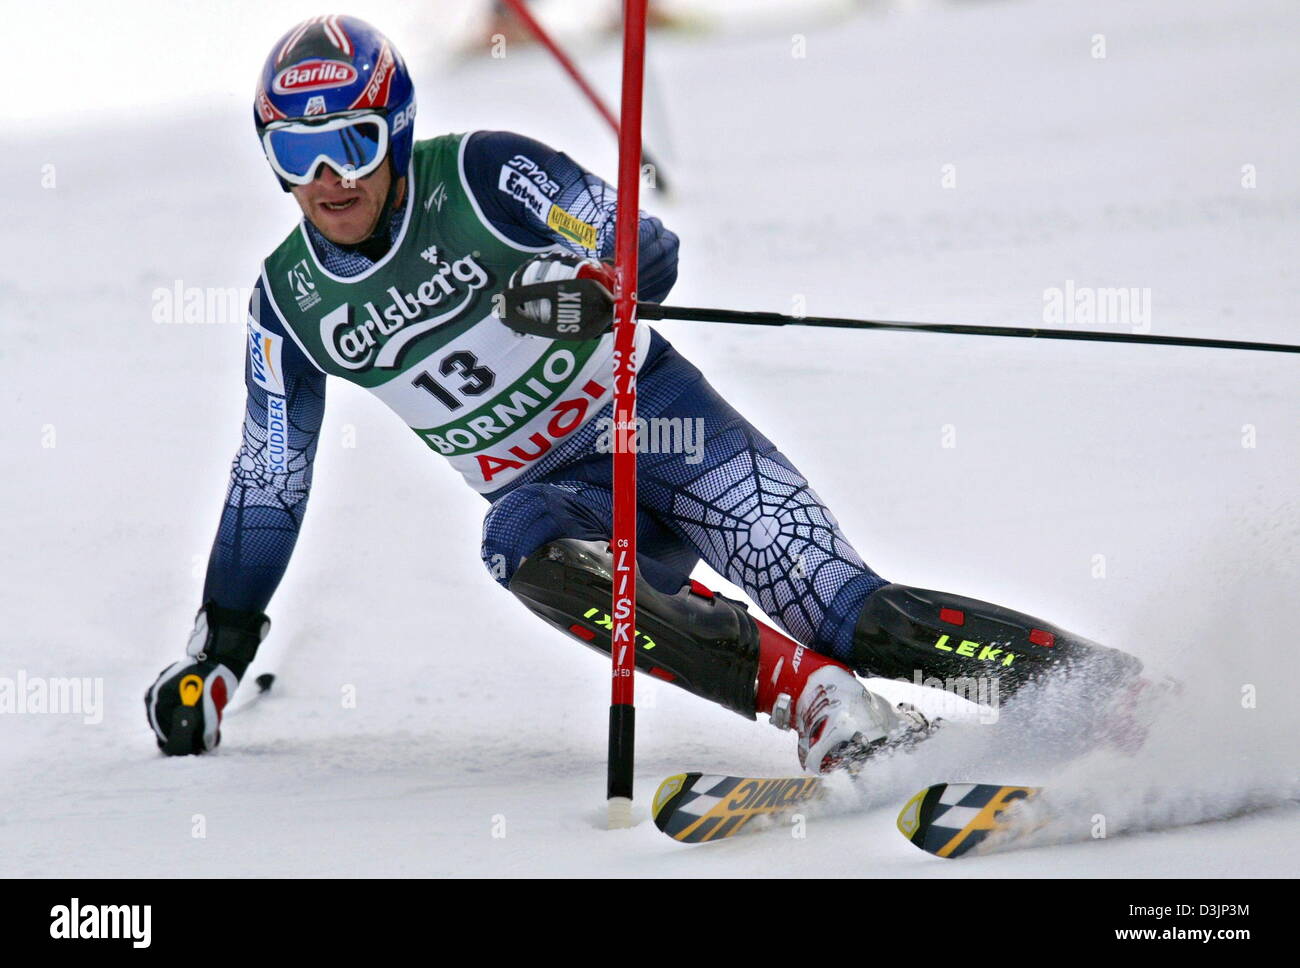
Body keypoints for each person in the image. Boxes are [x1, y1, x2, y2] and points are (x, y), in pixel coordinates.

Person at [146, 14, 1141, 765]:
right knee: (515, 542)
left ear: (397, 130)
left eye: (354, 142)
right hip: (565, 500)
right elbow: (268, 482)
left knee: (853, 616)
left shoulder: (485, 173)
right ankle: (820, 704)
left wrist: (611, 271)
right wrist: (218, 647)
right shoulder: (291, 302)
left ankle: (1107, 693)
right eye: (296, 153)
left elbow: (632, 233)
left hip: (666, 429)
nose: (329, 177)